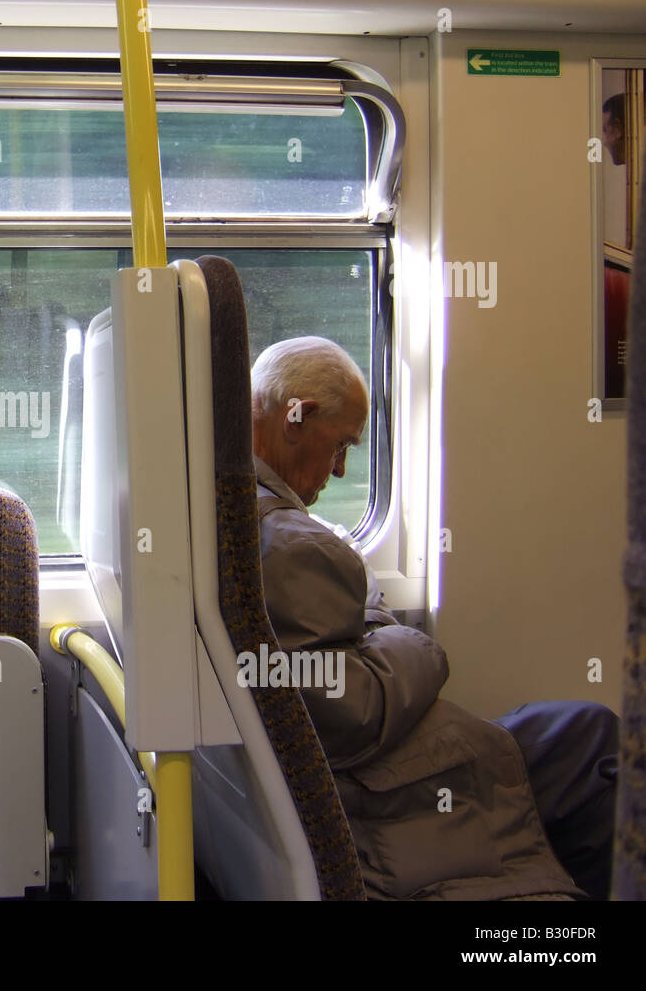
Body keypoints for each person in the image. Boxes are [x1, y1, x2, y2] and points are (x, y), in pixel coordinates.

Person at [250, 336, 619, 900]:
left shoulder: (237, 509)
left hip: (377, 769)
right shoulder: (290, 542)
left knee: (583, 729)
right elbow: (354, 716)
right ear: (296, 416)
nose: (343, 470)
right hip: (384, 792)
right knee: (595, 741)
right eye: (341, 445)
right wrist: (411, 640)